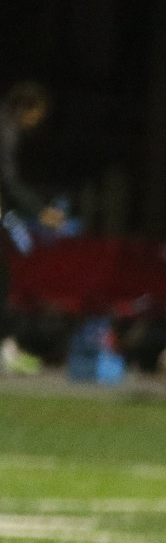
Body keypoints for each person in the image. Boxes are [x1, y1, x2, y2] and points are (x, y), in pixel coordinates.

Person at [1, 81, 59, 374]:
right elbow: (7, 180)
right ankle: (4, 350)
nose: (36, 122)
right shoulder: (5, 129)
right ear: (27, 108)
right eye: (37, 114)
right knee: (3, 279)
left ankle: (5, 348)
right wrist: (40, 210)